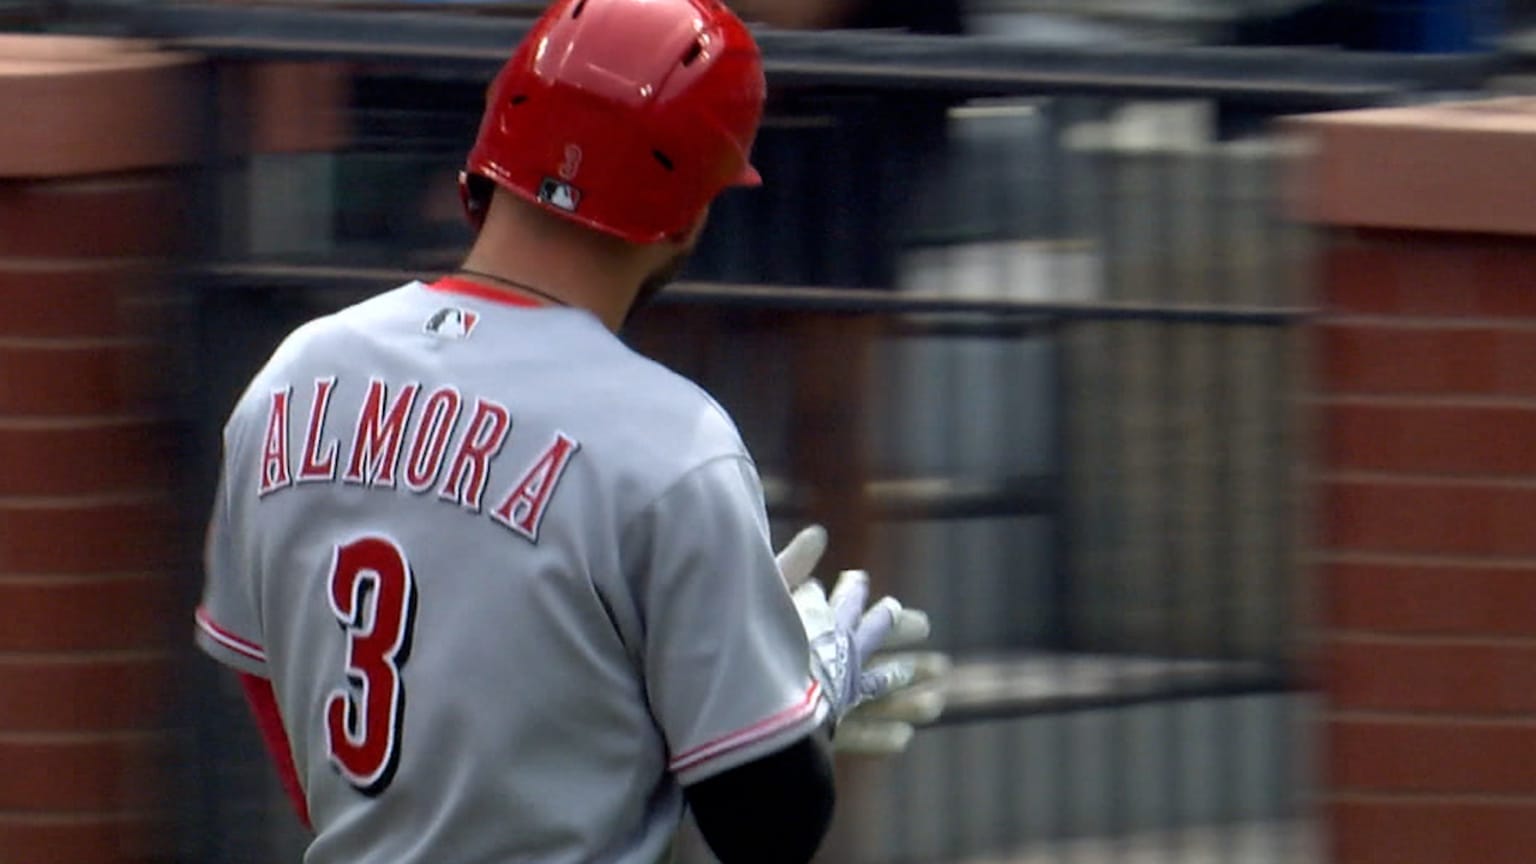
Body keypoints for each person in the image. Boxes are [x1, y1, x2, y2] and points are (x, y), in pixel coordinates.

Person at [191, 1, 946, 862]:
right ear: (690, 216)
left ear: (492, 153)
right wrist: (801, 699)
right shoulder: (671, 446)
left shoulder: (293, 376)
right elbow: (768, 831)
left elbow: (270, 696)